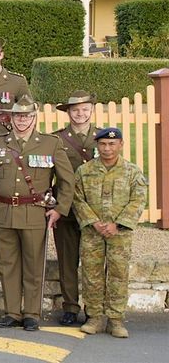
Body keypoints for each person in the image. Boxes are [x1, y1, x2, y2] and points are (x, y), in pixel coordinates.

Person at [0, 95, 74, 332]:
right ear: (10, 118)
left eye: (26, 116)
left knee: (33, 265)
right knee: (7, 264)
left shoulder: (49, 143)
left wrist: (59, 209)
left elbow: (67, 180)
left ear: (34, 118)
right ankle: (12, 311)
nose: (22, 120)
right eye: (17, 116)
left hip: (34, 213)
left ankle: (31, 313)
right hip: (3, 212)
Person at [74, 127, 146, 338]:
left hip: (119, 233)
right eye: (103, 144)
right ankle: (94, 317)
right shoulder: (85, 171)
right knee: (91, 274)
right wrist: (94, 222)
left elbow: (138, 200)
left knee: (118, 274)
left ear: (121, 145)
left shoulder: (132, 172)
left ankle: (115, 320)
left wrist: (118, 224)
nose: (107, 148)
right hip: (92, 232)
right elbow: (78, 199)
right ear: (97, 145)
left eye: (112, 144)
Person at [51, 90, 97, 326]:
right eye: (75, 110)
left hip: (95, 210)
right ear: (67, 113)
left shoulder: (102, 137)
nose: (80, 113)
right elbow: (47, 177)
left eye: (85, 109)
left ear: (92, 111)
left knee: (94, 262)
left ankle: (93, 306)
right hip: (66, 208)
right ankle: (70, 306)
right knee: (67, 260)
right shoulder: (56, 139)